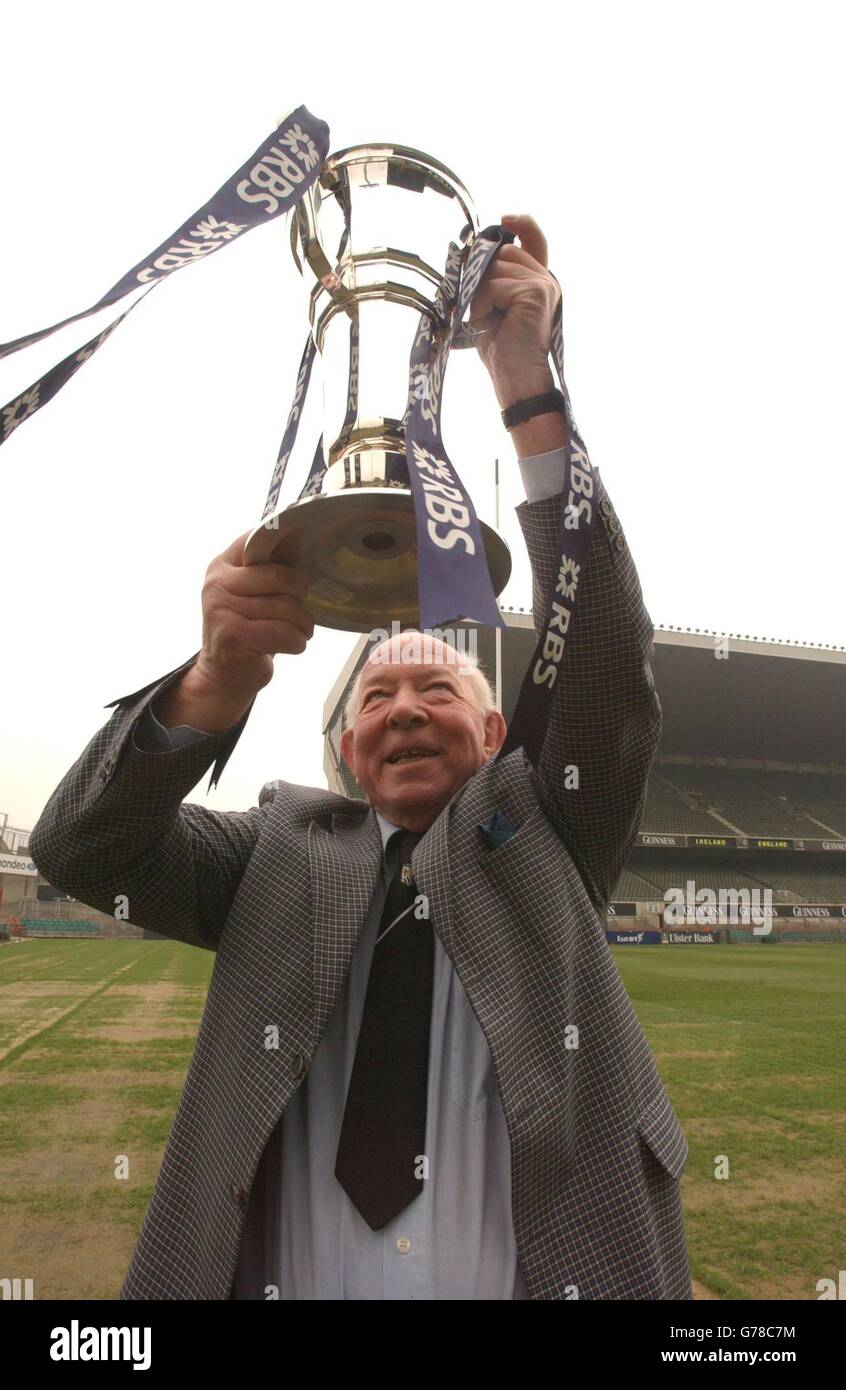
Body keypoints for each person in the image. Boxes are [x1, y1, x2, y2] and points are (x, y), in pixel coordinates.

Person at [29, 214, 691, 1300]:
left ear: (493, 736)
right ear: (344, 747)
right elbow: (80, 845)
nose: (406, 708)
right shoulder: (271, 849)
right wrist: (211, 683)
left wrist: (524, 379)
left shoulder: (550, 824)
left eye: (441, 688)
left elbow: (608, 653)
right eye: (378, 695)